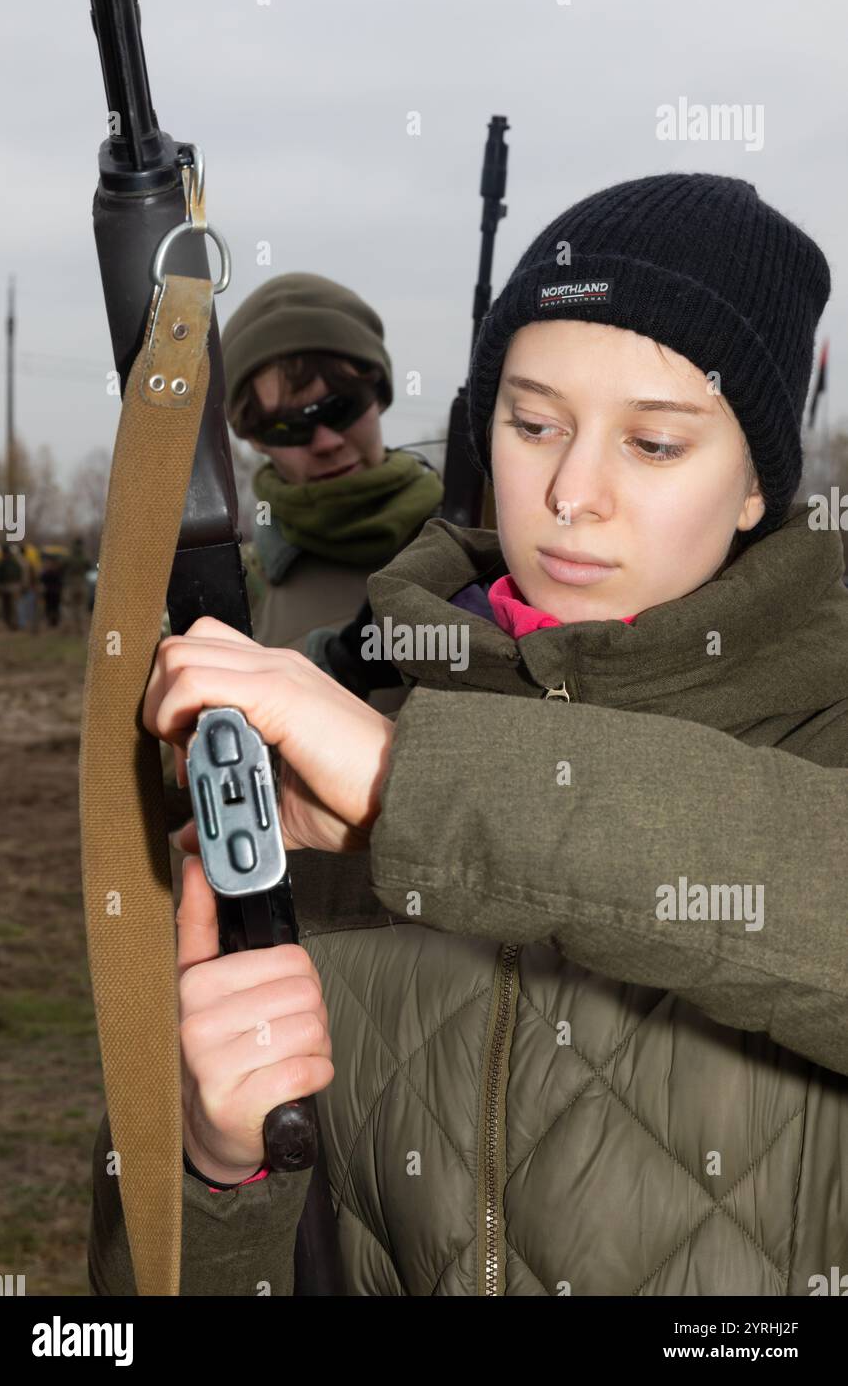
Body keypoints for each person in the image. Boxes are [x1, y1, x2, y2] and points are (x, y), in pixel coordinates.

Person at [89, 173, 848, 1296]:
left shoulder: (383, 765)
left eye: (652, 444)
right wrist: (214, 1170)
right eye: (531, 422)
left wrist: (414, 784)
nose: (569, 491)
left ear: (755, 487)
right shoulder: (318, 765)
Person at [222, 271, 443, 709]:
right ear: (255, 439)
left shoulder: (485, 537)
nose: (326, 442)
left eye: (341, 407)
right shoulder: (233, 592)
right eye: (289, 426)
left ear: (378, 394)